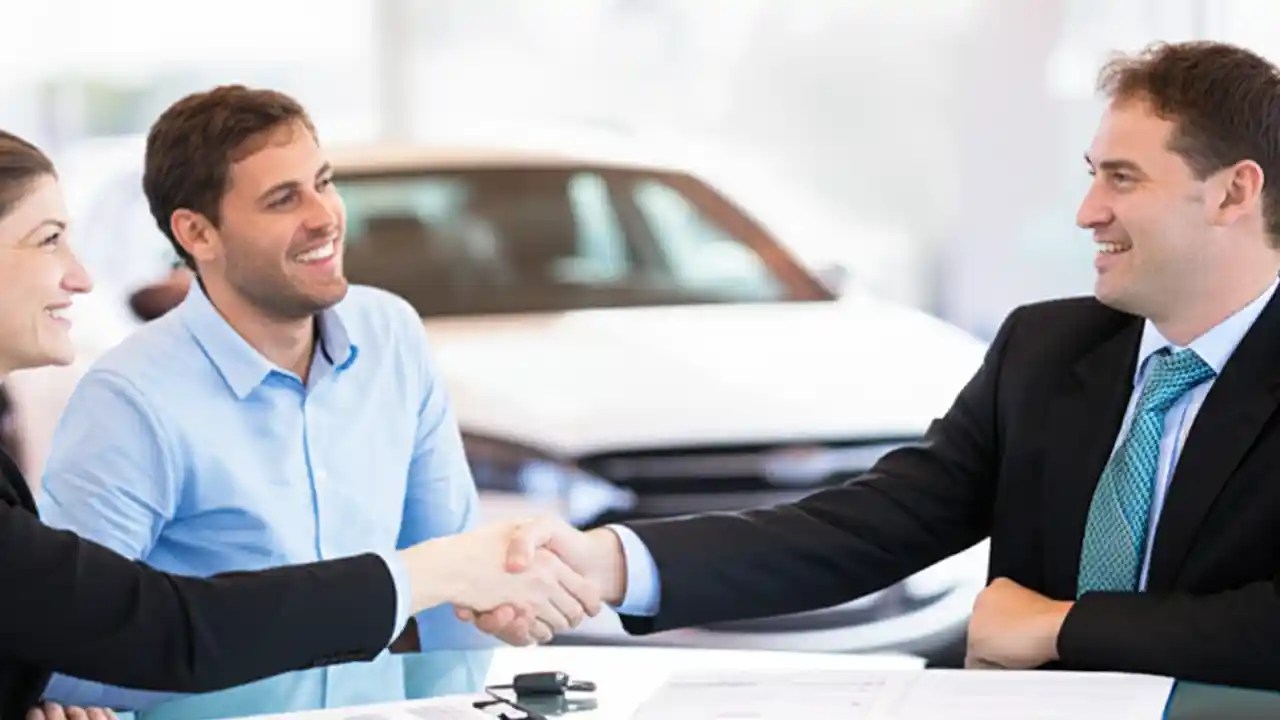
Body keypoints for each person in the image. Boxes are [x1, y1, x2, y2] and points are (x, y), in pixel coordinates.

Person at [467, 40, 1280, 691]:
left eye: (1122, 178)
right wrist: (614, 563)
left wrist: (1059, 625)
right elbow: (867, 526)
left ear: (1233, 193)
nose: (1087, 211)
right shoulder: (1047, 350)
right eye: (1091, 174)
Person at [0, 128, 599, 719]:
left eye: (324, 183)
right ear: (196, 233)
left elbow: (453, 592)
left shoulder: (391, 334)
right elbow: (122, 635)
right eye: (283, 199)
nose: (326, 217)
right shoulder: (129, 393)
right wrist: (430, 575)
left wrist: (459, 685)